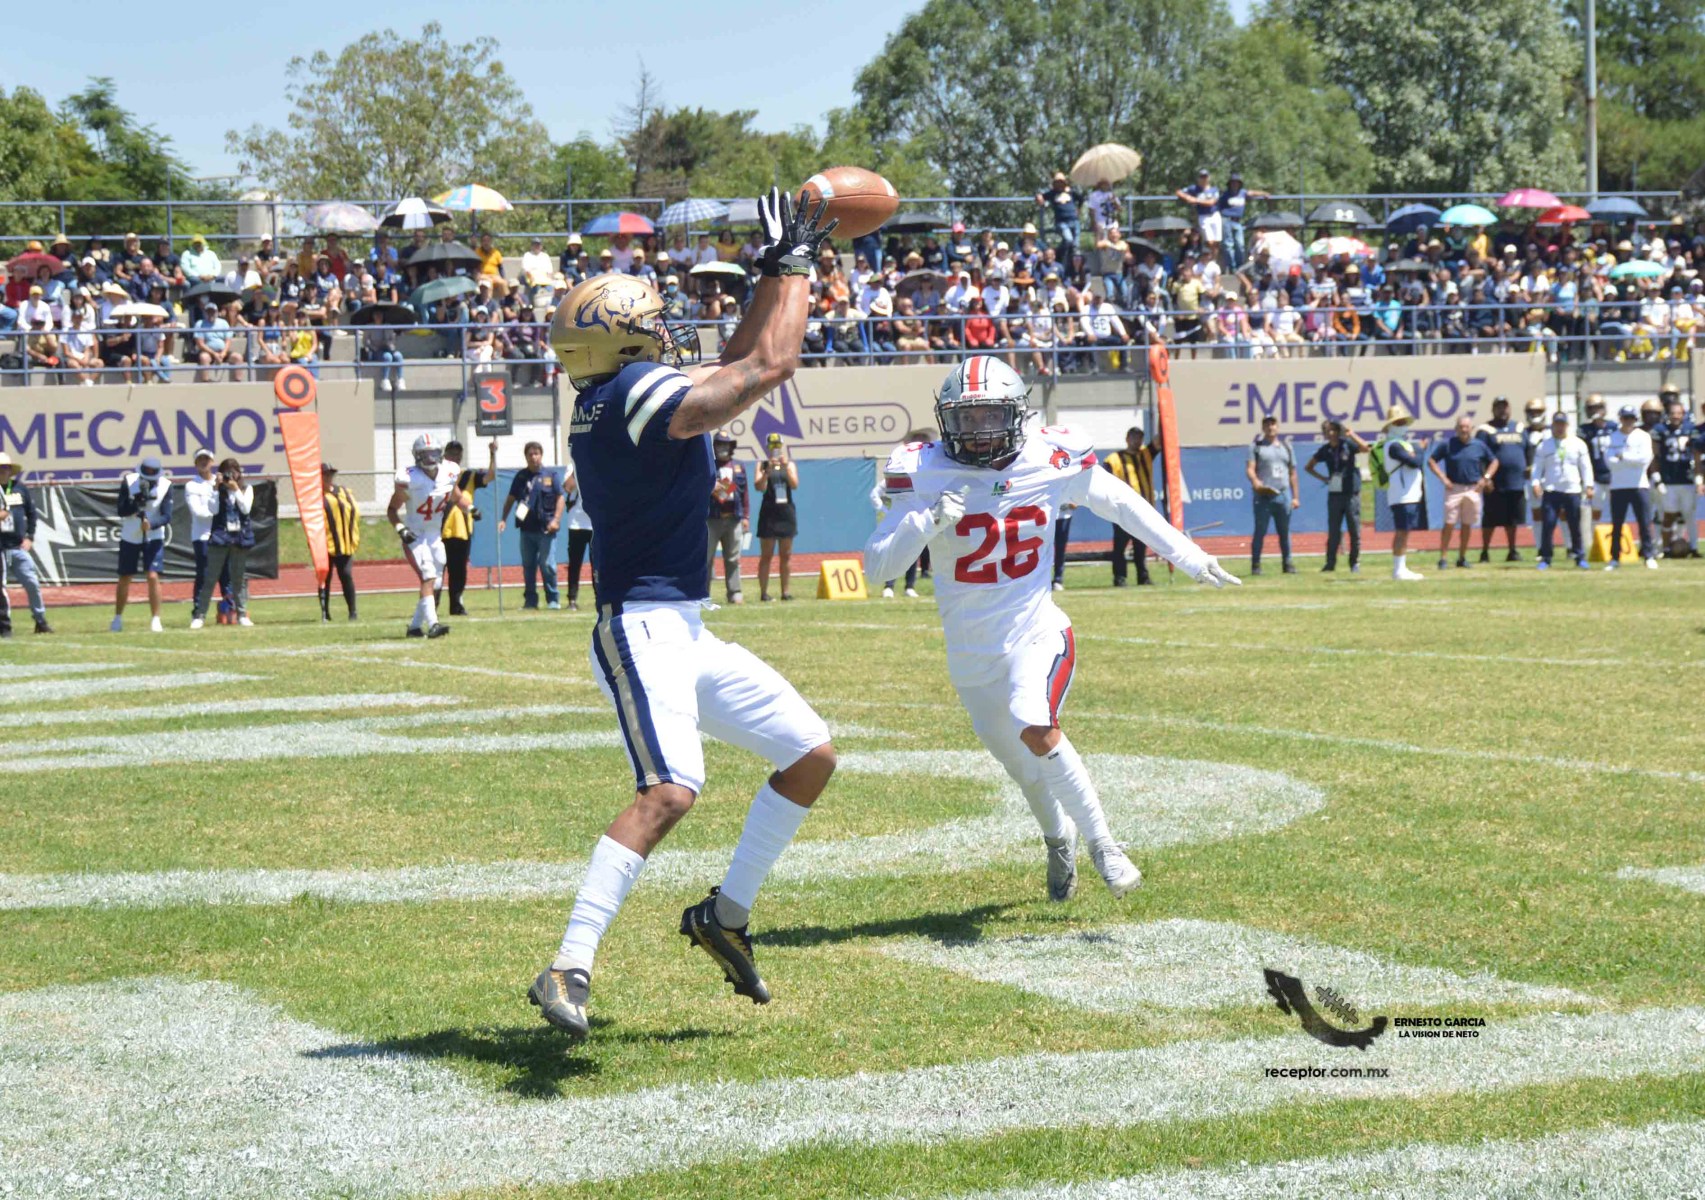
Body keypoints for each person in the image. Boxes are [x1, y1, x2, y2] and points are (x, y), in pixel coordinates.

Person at [529, 187, 839, 1040]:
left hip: (684, 625)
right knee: (670, 789)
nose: (672, 332)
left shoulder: (618, 389)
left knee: (809, 756)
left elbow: (738, 357)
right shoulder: (628, 393)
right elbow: (767, 369)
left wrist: (775, 272)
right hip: (639, 624)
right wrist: (798, 269)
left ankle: (725, 915)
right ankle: (569, 961)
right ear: (626, 337)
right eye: (656, 322)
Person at [864, 355, 1237, 904]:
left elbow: (1121, 503)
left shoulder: (1052, 455)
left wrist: (1186, 554)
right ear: (946, 420)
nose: (979, 431)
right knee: (1021, 766)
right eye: (966, 419)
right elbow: (878, 570)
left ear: (1017, 415)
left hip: (1036, 630)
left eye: (991, 416)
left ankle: (1105, 846)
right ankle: (1057, 838)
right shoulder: (922, 469)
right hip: (971, 654)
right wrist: (926, 520)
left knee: (1035, 723)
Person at [386, 433, 467, 638]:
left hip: (434, 535)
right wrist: (401, 529)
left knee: (436, 581)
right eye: (425, 454)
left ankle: (414, 627)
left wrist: (471, 508)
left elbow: (455, 494)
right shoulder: (409, 479)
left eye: (433, 454)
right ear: (417, 456)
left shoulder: (449, 471)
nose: (430, 459)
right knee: (428, 576)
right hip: (415, 535)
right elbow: (392, 510)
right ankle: (433, 625)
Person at [499, 441, 566, 610]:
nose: (533, 457)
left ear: (541, 455)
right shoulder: (521, 477)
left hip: (546, 529)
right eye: (530, 454)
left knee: (547, 564)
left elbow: (560, 498)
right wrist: (503, 519)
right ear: (526, 457)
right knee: (528, 566)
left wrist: (556, 520)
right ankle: (530, 601)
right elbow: (510, 500)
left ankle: (553, 599)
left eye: (536, 453)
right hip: (526, 530)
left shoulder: (551, 475)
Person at [190, 460, 256, 627]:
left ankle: (242, 614)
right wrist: (216, 489)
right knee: (210, 577)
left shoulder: (247, 489)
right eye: (227, 472)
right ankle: (200, 615)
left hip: (239, 536)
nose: (231, 475)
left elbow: (246, 509)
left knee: (238, 578)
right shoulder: (218, 491)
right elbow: (213, 510)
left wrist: (235, 489)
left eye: (234, 471)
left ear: (239, 473)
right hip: (221, 536)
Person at [1427, 415, 1497, 569]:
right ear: (1456, 429)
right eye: (1461, 427)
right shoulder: (1448, 444)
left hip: (1473, 489)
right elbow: (1431, 461)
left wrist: (1485, 478)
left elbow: (1494, 461)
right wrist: (1443, 478)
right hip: (1454, 489)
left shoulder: (1479, 445)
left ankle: (1462, 557)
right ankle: (1443, 558)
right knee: (1449, 524)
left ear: (1471, 429)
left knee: (1467, 525)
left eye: (1466, 427)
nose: (1464, 430)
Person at [113, 456, 172, 632]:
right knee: (125, 576)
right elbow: (121, 510)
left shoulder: (166, 486)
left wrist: (151, 524)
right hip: (130, 535)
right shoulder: (129, 482)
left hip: (153, 536)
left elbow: (167, 515)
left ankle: (155, 619)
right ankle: (118, 617)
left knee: (153, 576)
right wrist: (136, 503)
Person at [1305, 420, 1369, 573]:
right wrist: (1324, 479)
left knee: (1354, 529)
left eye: (1333, 430)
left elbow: (1365, 448)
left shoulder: (1347, 445)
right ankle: (1330, 562)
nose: (1331, 433)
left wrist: (1351, 434)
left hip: (1351, 492)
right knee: (1334, 530)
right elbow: (1309, 467)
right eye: (1328, 431)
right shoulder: (1325, 450)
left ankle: (1354, 562)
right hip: (1335, 493)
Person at [441, 439, 496, 616]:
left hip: (463, 530)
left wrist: (493, 454)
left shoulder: (468, 475)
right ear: (445, 455)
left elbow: (490, 476)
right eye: (451, 453)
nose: (455, 456)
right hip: (441, 529)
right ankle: (431, 605)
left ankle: (456, 604)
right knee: (437, 570)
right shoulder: (438, 474)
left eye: (458, 453)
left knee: (459, 571)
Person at [1532, 411, 1593, 570]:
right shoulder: (1544, 445)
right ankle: (1546, 557)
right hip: (1552, 490)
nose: (1560, 428)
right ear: (1552, 425)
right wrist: (1535, 482)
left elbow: (1586, 466)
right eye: (1557, 424)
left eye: (1562, 424)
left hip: (1572, 489)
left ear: (1567, 425)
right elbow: (1537, 467)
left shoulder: (1578, 444)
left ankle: (1579, 556)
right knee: (1549, 524)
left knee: (1574, 524)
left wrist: (1589, 485)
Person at [183, 449, 237, 624]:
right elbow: (197, 512)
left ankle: (228, 610)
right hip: (202, 536)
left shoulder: (221, 481)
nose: (204, 462)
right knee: (205, 575)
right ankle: (199, 613)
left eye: (207, 459)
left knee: (226, 575)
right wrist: (217, 511)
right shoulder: (192, 485)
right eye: (200, 460)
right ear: (195, 464)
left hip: (222, 535)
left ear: (213, 462)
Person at [0, 452, 49, 636]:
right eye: (0, 468)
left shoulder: (20, 488)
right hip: (0, 547)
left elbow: (32, 513)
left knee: (32, 583)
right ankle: (5, 625)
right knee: (1, 589)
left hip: (16, 546)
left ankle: (40, 620)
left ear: (10, 470)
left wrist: (30, 536)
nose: (3, 472)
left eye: (6, 468)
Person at [1477, 396, 1531, 562]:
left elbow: (1529, 450)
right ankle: (1485, 551)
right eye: (1499, 407)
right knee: (1490, 519)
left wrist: (1529, 466)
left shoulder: (1520, 428)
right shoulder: (1485, 430)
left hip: (1516, 482)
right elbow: (1480, 456)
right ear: (1493, 409)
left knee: (1512, 520)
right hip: (1495, 484)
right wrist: (1485, 478)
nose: (1503, 410)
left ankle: (1512, 550)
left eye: (1505, 407)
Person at [1102, 425, 1157, 585]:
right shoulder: (1114, 459)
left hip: (1143, 510)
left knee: (1141, 545)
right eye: (1133, 437)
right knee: (1120, 546)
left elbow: (1159, 440)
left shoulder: (1146, 454)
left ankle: (1143, 576)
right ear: (1127, 439)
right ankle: (1120, 578)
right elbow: (1103, 480)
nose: (1136, 440)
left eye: (1139, 437)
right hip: (1122, 511)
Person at [1606, 403, 1658, 569]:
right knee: (1617, 524)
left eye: (1631, 418)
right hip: (1618, 486)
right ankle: (1615, 558)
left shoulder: (1643, 436)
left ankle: (1649, 556)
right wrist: (1629, 459)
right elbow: (1609, 462)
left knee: (1644, 522)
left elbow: (1644, 460)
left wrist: (1623, 457)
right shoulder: (1612, 437)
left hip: (1639, 485)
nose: (1628, 421)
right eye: (1625, 418)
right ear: (1620, 419)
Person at [1246, 415, 1299, 575]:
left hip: (1283, 494)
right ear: (1263, 428)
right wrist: (1255, 481)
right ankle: (1256, 564)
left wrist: (1296, 496)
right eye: (1267, 424)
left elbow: (1293, 473)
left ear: (1278, 427)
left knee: (1284, 531)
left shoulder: (1286, 447)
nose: (1270, 427)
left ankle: (1287, 563)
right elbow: (1250, 468)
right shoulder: (1256, 447)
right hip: (1264, 495)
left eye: (1273, 424)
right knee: (1260, 530)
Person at [1378, 410, 1425, 581]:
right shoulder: (1394, 445)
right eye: (1398, 423)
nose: (1403, 426)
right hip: (1402, 494)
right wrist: (1421, 451)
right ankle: (1399, 569)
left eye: (1404, 422)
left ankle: (1401, 566)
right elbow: (1415, 462)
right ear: (1390, 426)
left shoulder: (1401, 444)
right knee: (1402, 531)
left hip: (1408, 494)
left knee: (1404, 531)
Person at [1650, 390, 1699, 558]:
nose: (1676, 416)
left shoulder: (1690, 429)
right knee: (1668, 516)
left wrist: (1698, 476)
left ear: (1683, 414)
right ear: (1668, 415)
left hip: (1686, 479)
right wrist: (1657, 477)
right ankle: (1666, 548)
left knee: (1689, 515)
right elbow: (1654, 455)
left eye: (1679, 413)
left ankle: (1693, 547)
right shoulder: (1660, 430)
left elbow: (1697, 453)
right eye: (1673, 413)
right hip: (1669, 479)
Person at [755, 432, 799, 601]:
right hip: (769, 513)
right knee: (766, 555)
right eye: (772, 446)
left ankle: (785, 592)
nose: (775, 449)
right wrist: (767, 471)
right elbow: (759, 486)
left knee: (786, 554)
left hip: (786, 512)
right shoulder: (762, 464)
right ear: (767, 447)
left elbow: (794, 485)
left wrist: (786, 467)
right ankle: (764, 593)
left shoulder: (789, 465)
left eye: (777, 446)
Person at [707, 430, 749, 605]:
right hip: (711, 519)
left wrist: (746, 515)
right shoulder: (708, 466)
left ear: (730, 447)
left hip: (733, 518)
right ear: (714, 447)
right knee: (706, 558)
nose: (722, 448)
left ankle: (734, 592)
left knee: (733, 558)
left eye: (725, 444)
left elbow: (744, 492)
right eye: (719, 444)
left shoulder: (738, 466)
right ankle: (703, 594)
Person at [320, 462, 361, 621]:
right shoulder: (316, 496)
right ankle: (325, 613)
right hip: (324, 545)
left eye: (330, 474)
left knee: (346, 575)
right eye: (325, 474)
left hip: (344, 543)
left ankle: (353, 612)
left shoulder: (344, 492)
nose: (328, 477)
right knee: (325, 578)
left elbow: (354, 513)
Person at [1579, 394, 1616, 528]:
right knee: (1595, 509)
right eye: (1592, 408)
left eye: (1597, 408)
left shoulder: (1614, 427)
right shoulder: (1584, 430)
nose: (1595, 411)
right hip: (1594, 476)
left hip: (1613, 474)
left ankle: (1616, 536)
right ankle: (1594, 538)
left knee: (1617, 509)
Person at [563, 454, 593, 611]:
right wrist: (579, 464)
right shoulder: (571, 467)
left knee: (598, 564)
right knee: (575, 564)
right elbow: (568, 487)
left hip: (595, 522)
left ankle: (600, 598)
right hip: (576, 523)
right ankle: (572, 599)